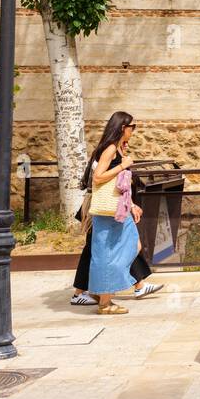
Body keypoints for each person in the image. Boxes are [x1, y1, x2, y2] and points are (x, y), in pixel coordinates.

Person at [81, 111, 143, 316]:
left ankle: (102, 290)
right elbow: (98, 178)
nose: (133, 131)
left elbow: (122, 185)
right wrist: (123, 166)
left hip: (119, 209)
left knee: (131, 246)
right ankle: (105, 302)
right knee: (106, 253)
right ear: (122, 127)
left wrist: (132, 204)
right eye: (131, 127)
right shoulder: (109, 149)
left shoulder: (117, 148)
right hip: (108, 211)